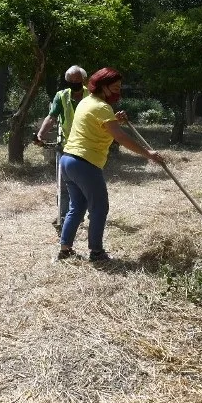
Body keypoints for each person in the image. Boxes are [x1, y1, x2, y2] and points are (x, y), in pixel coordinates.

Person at [56, 67, 163, 262]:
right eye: (115, 87)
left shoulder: (86, 102)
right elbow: (120, 137)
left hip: (67, 161)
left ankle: (65, 249)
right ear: (103, 87)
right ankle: (96, 252)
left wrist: (115, 120)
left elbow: (101, 126)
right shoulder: (102, 108)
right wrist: (148, 154)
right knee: (99, 208)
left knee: (77, 206)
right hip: (84, 163)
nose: (118, 92)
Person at [33, 65, 88, 232]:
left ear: (83, 80)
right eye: (71, 81)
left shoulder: (92, 95)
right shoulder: (62, 96)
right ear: (67, 81)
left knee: (86, 185)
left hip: (88, 148)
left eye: (78, 81)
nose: (75, 84)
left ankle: (80, 215)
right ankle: (63, 218)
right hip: (66, 147)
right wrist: (41, 134)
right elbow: (52, 117)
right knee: (63, 186)